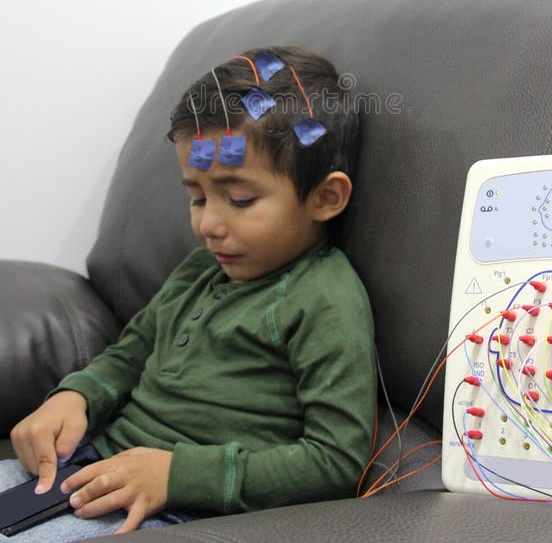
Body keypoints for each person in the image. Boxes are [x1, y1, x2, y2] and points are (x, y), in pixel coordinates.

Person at [3, 46, 376, 540]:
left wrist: (175, 477)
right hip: (91, 463)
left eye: (239, 199)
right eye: (197, 197)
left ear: (325, 198)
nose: (208, 224)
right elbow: (130, 354)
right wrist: (77, 396)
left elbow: (335, 462)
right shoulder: (200, 269)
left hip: (177, 509)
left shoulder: (325, 299)